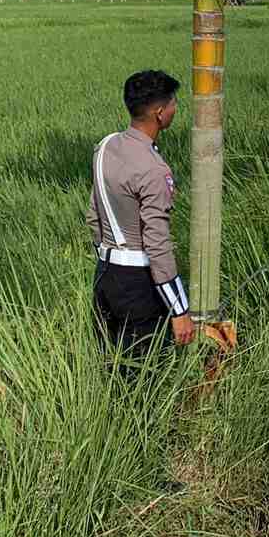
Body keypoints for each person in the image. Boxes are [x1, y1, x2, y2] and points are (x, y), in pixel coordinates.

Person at [86, 70, 195, 351]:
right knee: (143, 376)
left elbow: (93, 215)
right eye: (173, 103)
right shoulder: (153, 169)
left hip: (104, 274)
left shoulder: (105, 145)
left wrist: (108, 255)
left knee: (110, 362)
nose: (175, 108)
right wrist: (179, 309)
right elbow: (157, 244)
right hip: (138, 284)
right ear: (160, 113)